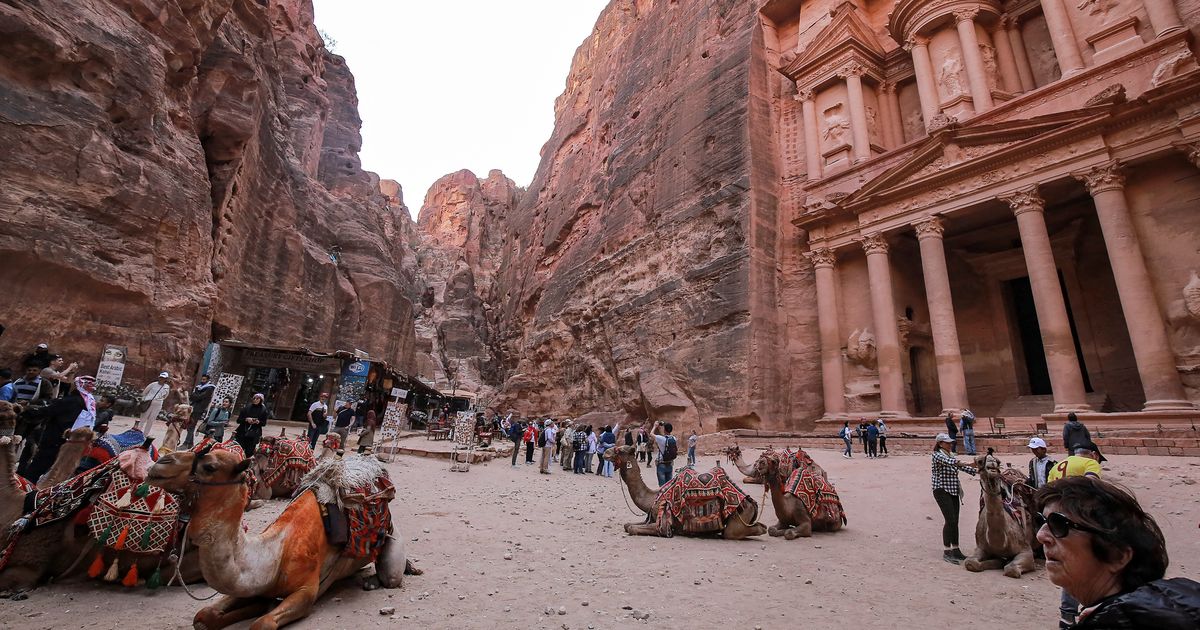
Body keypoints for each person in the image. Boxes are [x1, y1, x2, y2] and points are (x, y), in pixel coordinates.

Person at [1035, 476, 1200, 629]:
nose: (1040, 536)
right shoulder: (1183, 592)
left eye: (1059, 524)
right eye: (1040, 521)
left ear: (1117, 555)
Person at [18, 376, 92, 482]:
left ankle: (25, 492)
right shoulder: (89, 402)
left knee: (36, 470)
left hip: (55, 439)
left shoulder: (70, 401)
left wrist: (25, 411)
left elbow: (48, 411)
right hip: (73, 441)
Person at [931, 432, 977, 564]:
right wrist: (970, 463)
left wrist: (979, 470)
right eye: (947, 442)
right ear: (940, 443)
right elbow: (952, 462)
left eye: (950, 442)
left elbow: (958, 466)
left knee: (955, 521)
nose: (950, 444)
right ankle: (947, 551)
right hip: (941, 490)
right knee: (950, 520)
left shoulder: (950, 454)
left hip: (953, 490)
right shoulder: (938, 455)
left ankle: (956, 549)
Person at [136, 371, 174, 436]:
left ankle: (145, 435)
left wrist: (158, 400)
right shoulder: (153, 384)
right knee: (143, 418)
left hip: (158, 404)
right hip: (148, 403)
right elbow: (144, 392)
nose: (161, 379)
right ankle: (137, 433)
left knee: (151, 420)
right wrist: (145, 399)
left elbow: (165, 396)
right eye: (161, 377)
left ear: (166, 379)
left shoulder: (166, 387)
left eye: (163, 378)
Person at [186, 374, 216, 447]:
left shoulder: (209, 388)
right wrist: (196, 397)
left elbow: (200, 397)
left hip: (199, 409)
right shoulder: (198, 387)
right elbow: (192, 396)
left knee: (191, 425)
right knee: (189, 425)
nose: (202, 381)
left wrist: (196, 397)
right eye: (202, 379)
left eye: (204, 380)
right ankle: (190, 443)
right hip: (193, 407)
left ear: (208, 380)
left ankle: (186, 443)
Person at [652, 421, 678, 486]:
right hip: (670, 464)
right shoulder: (674, 438)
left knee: (662, 487)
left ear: (664, 430)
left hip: (661, 465)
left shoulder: (661, 439)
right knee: (669, 486)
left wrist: (655, 426)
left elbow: (651, 434)